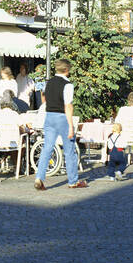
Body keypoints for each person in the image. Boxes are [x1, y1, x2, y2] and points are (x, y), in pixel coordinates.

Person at [34, 58, 87, 190]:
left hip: (49, 116)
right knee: (69, 150)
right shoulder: (67, 84)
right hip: (62, 117)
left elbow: (44, 97)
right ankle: (73, 181)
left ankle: (39, 177)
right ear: (67, 70)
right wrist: (70, 126)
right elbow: (68, 106)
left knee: (47, 148)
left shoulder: (49, 82)